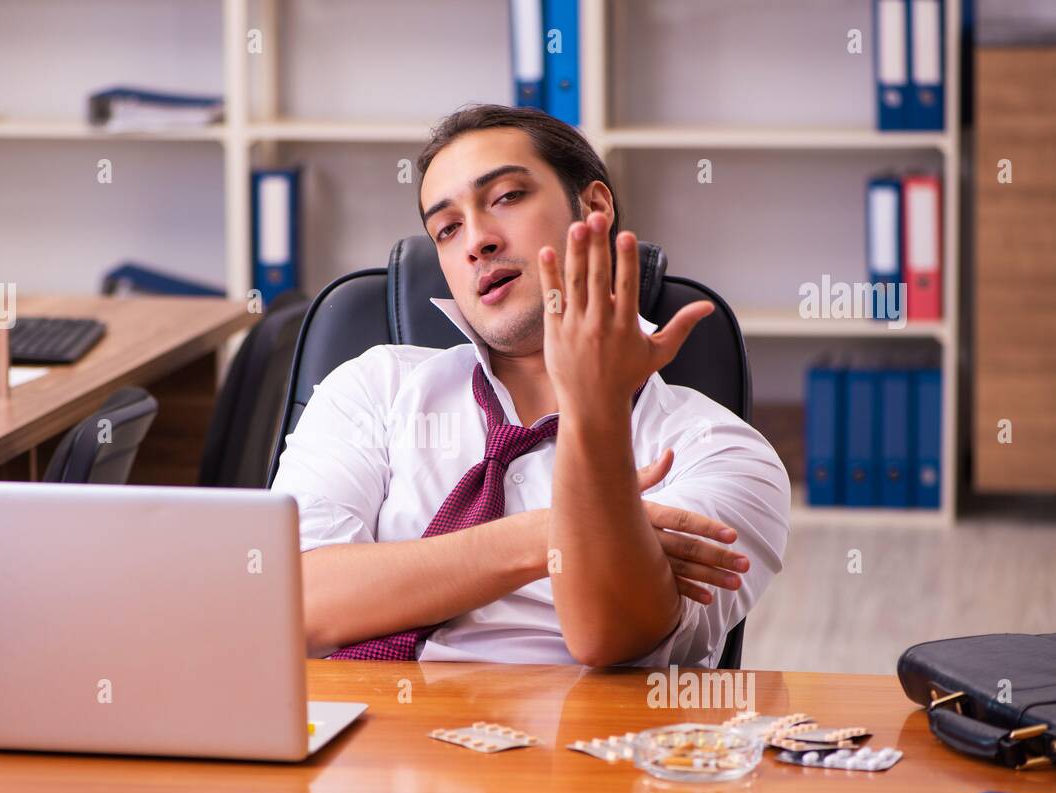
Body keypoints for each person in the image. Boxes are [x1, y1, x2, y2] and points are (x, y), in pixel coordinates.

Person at [272, 104, 790, 667]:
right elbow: (291, 604)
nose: (477, 242)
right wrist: (553, 536)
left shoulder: (719, 451)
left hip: (568, 747)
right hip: (360, 741)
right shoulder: (372, 388)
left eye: (507, 198)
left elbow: (613, 639)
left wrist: (594, 411)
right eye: (447, 229)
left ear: (592, 206)